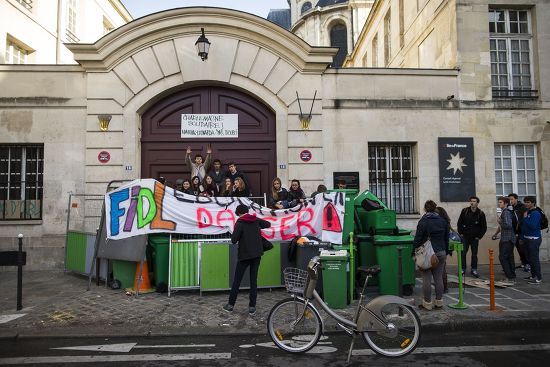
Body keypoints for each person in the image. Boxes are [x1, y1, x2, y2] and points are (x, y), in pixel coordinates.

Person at [223, 204, 271, 315]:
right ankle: (252, 307)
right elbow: (267, 224)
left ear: (239, 213)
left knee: (237, 281)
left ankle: (230, 305)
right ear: (246, 211)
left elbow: (234, 240)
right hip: (256, 255)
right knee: (253, 281)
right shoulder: (255, 220)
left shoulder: (239, 223)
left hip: (244, 256)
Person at [414, 200, 449, 310]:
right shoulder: (443, 221)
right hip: (441, 252)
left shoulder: (423, 221)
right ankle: (439, 302)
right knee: (438, 278)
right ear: (435, 208)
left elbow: (418, 239)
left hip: (427, 254)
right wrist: (446, 251)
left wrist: (413, 251)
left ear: (425, 209)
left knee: (426, 279)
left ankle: (427, 303)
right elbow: (446, 238)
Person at [457, 196, 487, 278]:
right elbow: (459, 222)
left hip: (474, 238)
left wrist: (479, 236)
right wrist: (461, 233)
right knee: (463, 254)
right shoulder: (465, 211)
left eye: (474, 201)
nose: (472, 203)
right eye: (471, 201)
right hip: (465, 237)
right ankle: (462, 269)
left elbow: (484, 227)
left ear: (477, 203)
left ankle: (474, 269)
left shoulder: (481, 213)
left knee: (474, 254)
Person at [521, 196, 543, 284]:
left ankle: (538, 277)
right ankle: (533, 275)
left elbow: (532, 226)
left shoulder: (535, 213)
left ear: (533, 203)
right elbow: (524, 227)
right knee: (529, 259)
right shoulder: (528, 212)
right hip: (527, 238)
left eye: (528, 202)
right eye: (525, 202)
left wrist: (526, 218)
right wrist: (522, 237)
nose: (526, 204)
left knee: (534, 259)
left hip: (534, 239)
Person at [496, 197, 516, 285]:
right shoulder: (506, 212)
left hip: (507, 239)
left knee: (503, 257)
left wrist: (500, 221)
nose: (498, 204)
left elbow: (508, 225)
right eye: (498, 202)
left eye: (500, 202)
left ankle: (510, 277)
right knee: (509, 258)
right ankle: (511, 276)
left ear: (506, 204)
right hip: (508, 238)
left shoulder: (506, 212)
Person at [509, 193, 529, 272]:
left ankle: (527, 264)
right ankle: (523, 263)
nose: (511, 201)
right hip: (514, 231)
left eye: (512, 199)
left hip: (521, 231)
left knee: (522, 248)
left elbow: (524, 218)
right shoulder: (511, 207)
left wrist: (519, 224)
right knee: (518, 247)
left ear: (516, 199)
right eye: (510, 199)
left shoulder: (522, 207)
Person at [435, 206, 452, 293]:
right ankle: (444, 288)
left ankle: (441, 288)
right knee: (442, 269)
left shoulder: (436, 223)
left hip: (436, 249)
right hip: (443, 248)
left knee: (437, 271)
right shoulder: (446, 223)